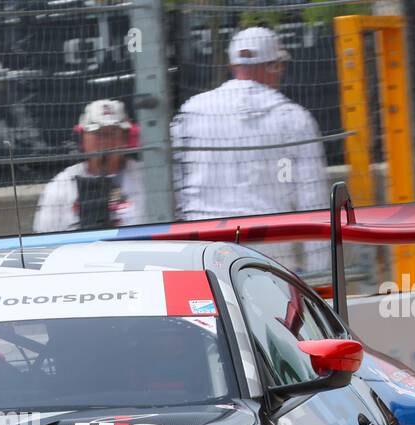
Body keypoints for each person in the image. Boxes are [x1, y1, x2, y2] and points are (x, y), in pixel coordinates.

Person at [171, 27, 329, 274]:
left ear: (233, 65)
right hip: (268, 251)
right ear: (273, 66)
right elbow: (313, 200)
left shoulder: (192, 111)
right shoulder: (293, 117)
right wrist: (322, 274)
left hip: (203, 248)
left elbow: (173, 186)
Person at [33, 99, 147, 233]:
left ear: (125, 138)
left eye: (113, 133)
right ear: (83, 139)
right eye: (97, 134)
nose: (106, 140)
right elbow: (44, 238)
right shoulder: (61, 185)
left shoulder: (147, 175)